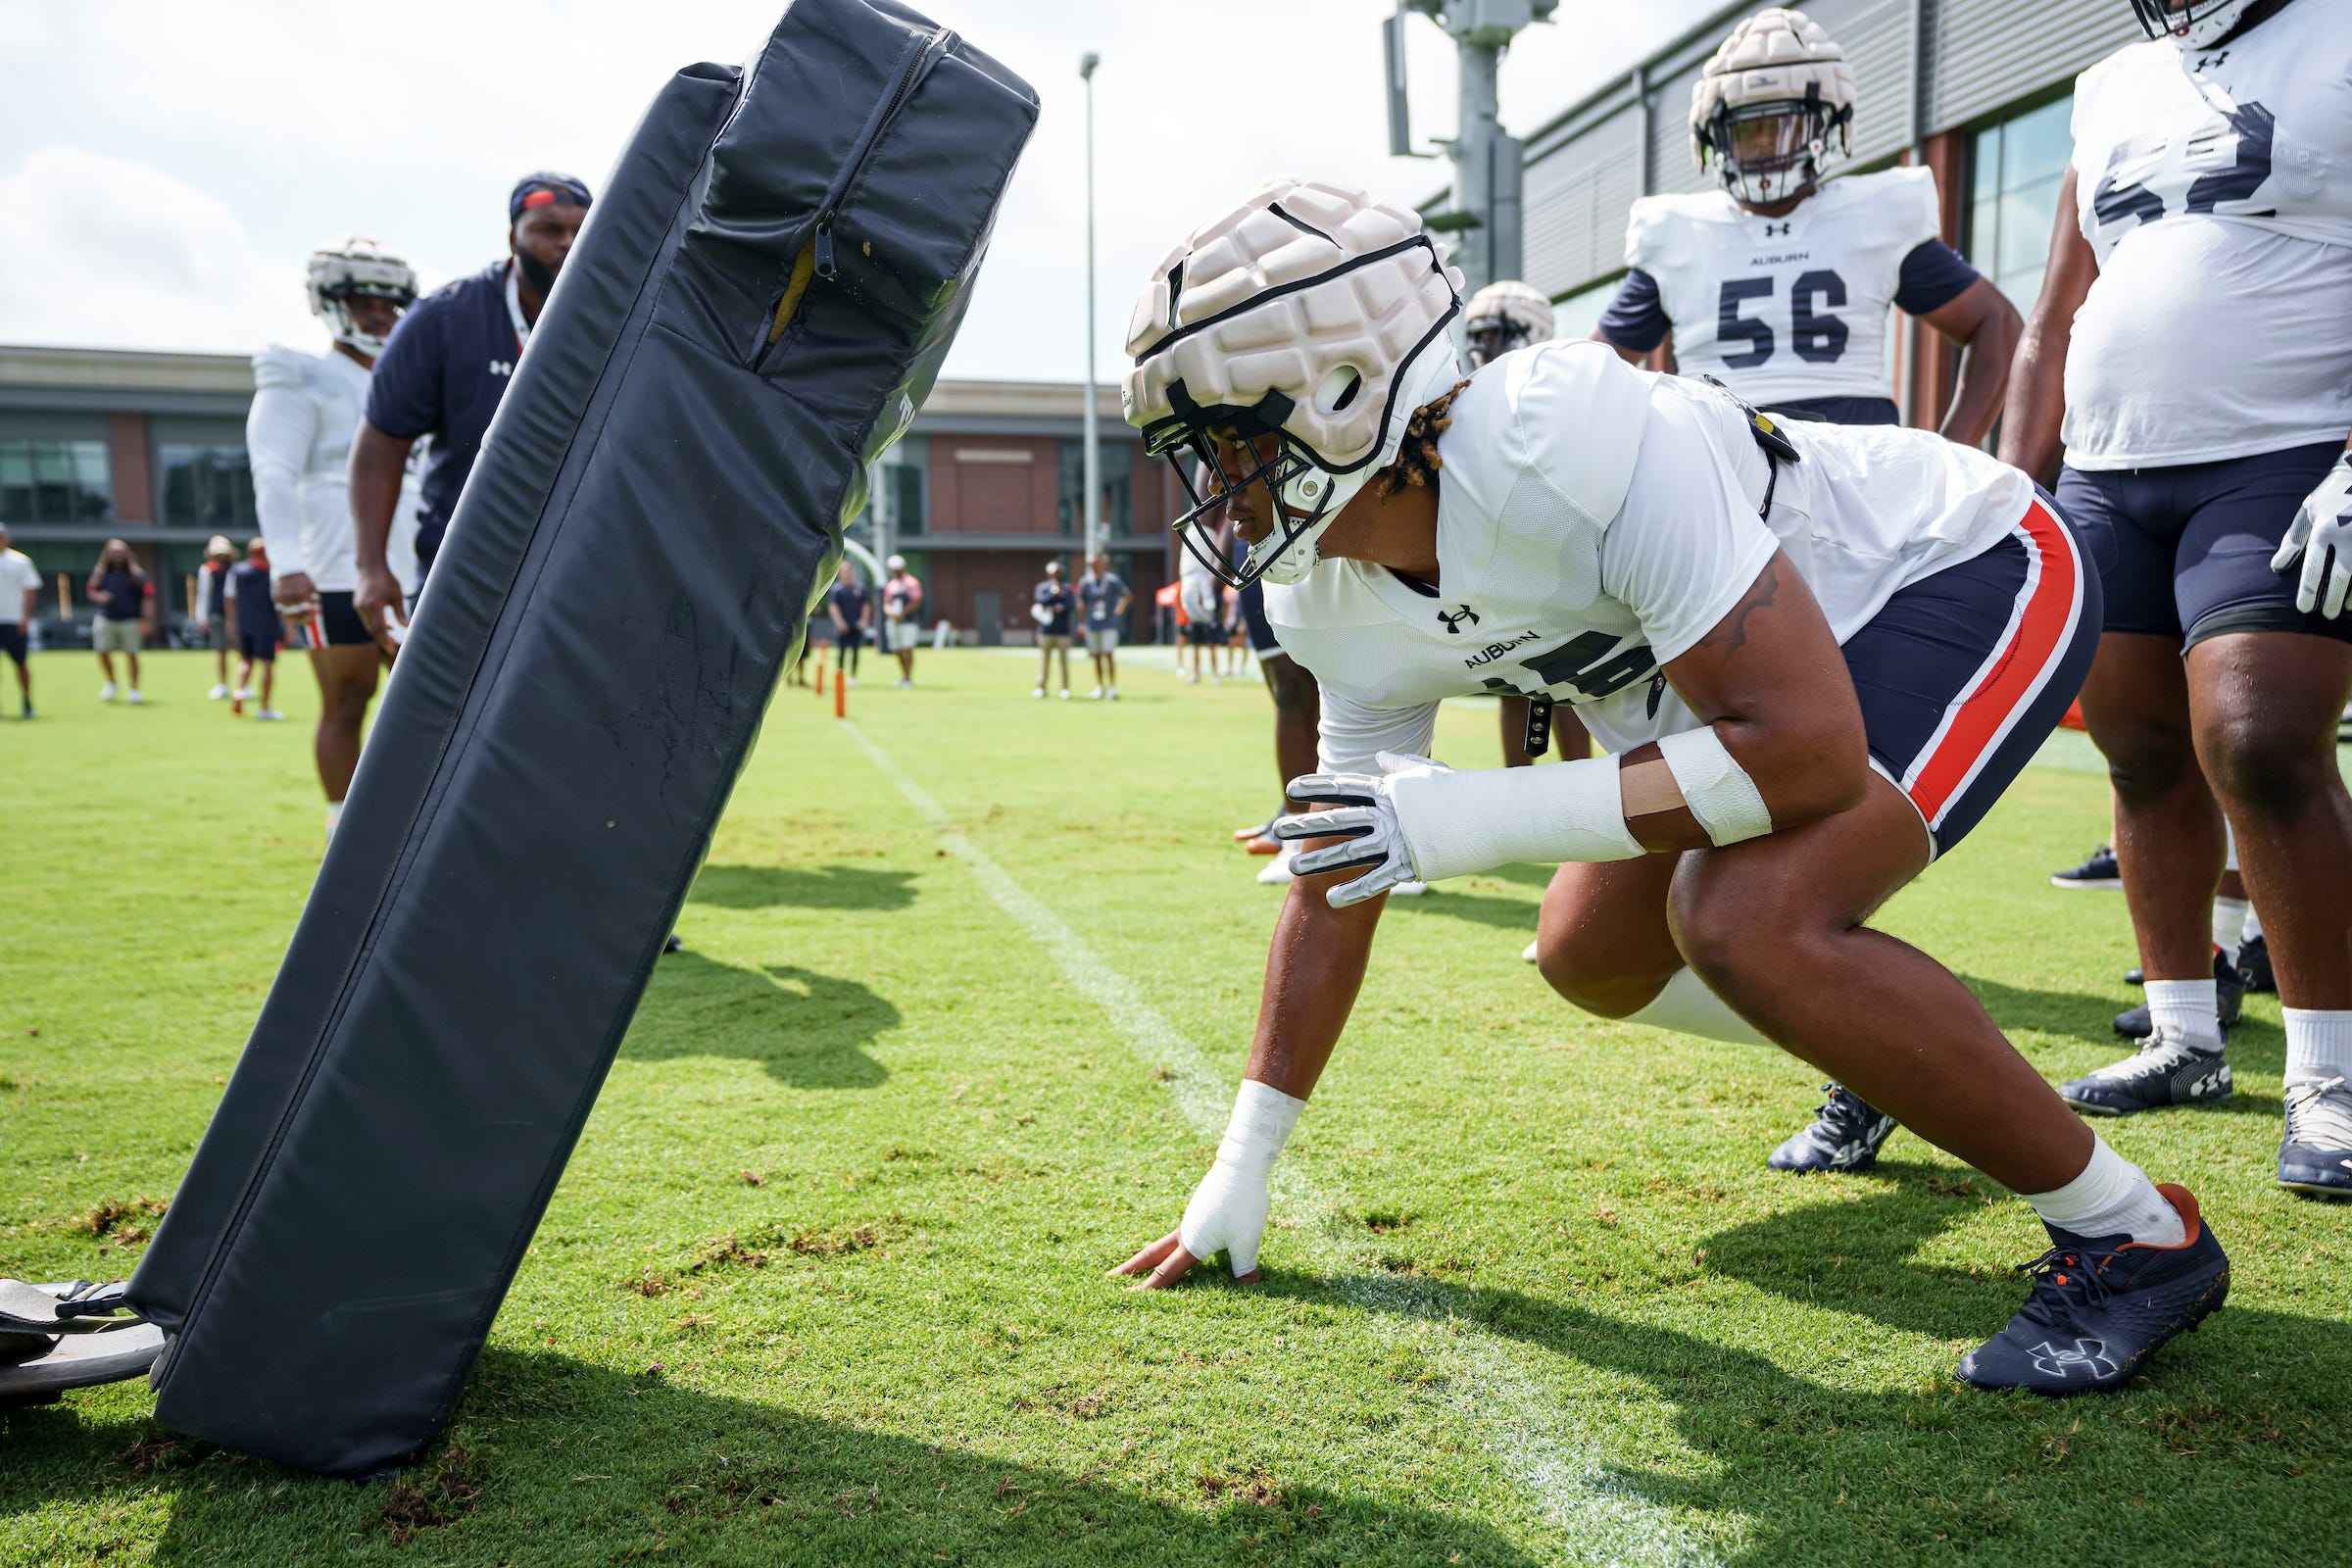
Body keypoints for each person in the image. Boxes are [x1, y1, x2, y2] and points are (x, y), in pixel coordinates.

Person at [1110, 178, 2229, 1396]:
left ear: (1345, 395)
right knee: (1589, 955)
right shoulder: (1323, 593)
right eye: (1200, 450)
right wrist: (1245, 1158)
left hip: (1945, 575)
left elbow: (1798, 750)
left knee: (1746, 919)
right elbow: (1339, 864)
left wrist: (1460, 819)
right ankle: (1877, 1048)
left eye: (1235, 439)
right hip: (1743, 690)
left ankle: (2134, 1232)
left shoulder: (1562, 438)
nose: (1220, 484)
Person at [1999, 0, 2352, 1197]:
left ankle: (2331, 1075)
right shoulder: (2110, 84)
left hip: (2288, 449)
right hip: (2108, 467)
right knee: (2141, 750)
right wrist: (2012, 490)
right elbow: (2051, 319)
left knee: (2257, 741)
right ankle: (2185, 1035)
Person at [1592, 8, 2020, 446]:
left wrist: (1948, 454)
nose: (1764, 146)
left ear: (1827, 125)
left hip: (1852, 458)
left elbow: (1997, 323)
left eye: (1782, 128)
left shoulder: (1872, 214)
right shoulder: (1680, 231)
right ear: (1714, 138)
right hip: (1720, 458)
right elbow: (1594, 372)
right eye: (1748, 132)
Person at [351, 172, 593, 649]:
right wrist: (372, 568)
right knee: (448, 721)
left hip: (583, 565)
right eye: (547, 230)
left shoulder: (620, 313)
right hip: (463, 568)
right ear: (513, 239)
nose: (566, 242)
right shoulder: (444, 318)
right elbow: (382, 443)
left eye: (579, 230)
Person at [250, 237, 420, 837]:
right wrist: (287, 563)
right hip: (334, 565)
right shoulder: (302, 373)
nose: (379, 314)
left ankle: (422, 821)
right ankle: (347, 832)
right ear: (331, 301)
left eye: (389, 303)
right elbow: (274, 469)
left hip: (419, 566)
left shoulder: (412, 376)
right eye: (363, 300)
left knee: (434, 705)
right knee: (348, 699)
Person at [226, 538, 283, 721]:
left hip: (244, 624)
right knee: (267, 664)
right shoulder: (273, 573)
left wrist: (232, 622)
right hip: (266, 625)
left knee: (246, 661)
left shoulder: (237, 572)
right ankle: (265, 708)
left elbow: (229, 597)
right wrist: (287, 625)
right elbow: (279, 601)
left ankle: (239, 691)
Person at [85, 539, 149, 704]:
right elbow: (91, 591)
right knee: (102, 651)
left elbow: (148, 597)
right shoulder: (100, 572)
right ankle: (111, 682)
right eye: (114, 553)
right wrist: (100, 596)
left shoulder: (137, 574)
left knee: (132, 654)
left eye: (121, 553)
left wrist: (146, 619)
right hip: (106, 617)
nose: (118, 556)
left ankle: (134, 689)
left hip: (130, 619)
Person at [1077, 550, 1130, 699]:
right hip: (1093, 624)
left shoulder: (1112, 580)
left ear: (1102, 562)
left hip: (1108, 623)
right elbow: (1082, 602)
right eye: (1090, 564)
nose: (1093, 566)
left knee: (1108, 654)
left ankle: (1112, 687)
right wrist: (1081, 623)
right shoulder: (1086, 582)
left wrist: (1119, 608)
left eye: (1095, 563)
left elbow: (1127, 595)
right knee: (1097, 656)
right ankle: (1100, 686)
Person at [0, 523, 36, 717]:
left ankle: (27, 701)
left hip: (14, 620)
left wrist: (25, 619)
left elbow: (30, 592)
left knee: (20, 663)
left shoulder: (20, 561)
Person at [1178, 532, 1223, 683]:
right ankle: (1196, 673)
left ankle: (1215, 673)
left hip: (1205, 615)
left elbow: (1209, 600)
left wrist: (1209, 613)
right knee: (1196, 646)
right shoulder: (1191, 578)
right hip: (1198, 616)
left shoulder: (1204, 579)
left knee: (1211, 646)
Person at [196, 535, 236, 700]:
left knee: (243, 651)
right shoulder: (207, 570)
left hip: (237, 616)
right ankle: (222, 684)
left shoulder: (235, 569)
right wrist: (202, 618)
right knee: (221, 651)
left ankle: (243, 685)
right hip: (218, 615)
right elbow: (203, 595)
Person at [1032, 559, 1075, 699]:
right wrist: (1053, 593)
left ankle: (1064, 688)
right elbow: (1041, 601)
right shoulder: (1042, 587)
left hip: (1062, 631)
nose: (1055, 576)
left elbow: (1070, 605)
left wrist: (1060, 607)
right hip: (1046, 631)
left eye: (1057, 573)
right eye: (1053, 573)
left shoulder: (1067, 588)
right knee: (1044, 661)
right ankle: (1041, 687)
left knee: (1063, 662)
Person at [881, 555, 923, 686]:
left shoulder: (911, 582)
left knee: (907, 648)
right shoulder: (891, 585)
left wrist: (903, 612)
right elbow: (886, 602)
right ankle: (903, 676)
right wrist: (891, 613)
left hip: (908, 621)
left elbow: (916, 600)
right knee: (898, 649)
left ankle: (908, 677)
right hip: (894, 622)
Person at [827, 562, 870, 685]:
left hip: (856, 625)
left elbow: (865, 606)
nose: (848, 573)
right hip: (843, 626)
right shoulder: (836, 589)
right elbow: (833, 607)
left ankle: (853, 676)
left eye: (850, 571)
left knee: (856, 651)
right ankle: (840, 674)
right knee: (841, 651)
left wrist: (864, 620)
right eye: (845, 571)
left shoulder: (860, 588)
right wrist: (840, 622)